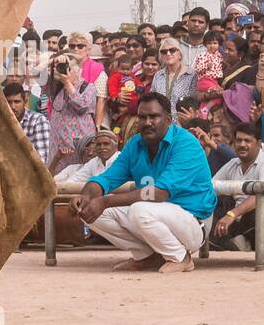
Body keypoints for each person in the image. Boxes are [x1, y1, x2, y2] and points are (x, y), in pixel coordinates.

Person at [73, 92, 216, 273]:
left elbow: (158, 194)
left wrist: (106, 201)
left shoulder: (186, 143)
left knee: (139, 209)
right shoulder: (135, 144)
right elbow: (106, 179)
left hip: (194, 223)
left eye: (154, 116)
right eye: (142, 117)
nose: (147, 122)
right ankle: (147, 257)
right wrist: (86, 196)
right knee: (90, 211)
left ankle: (181, 257)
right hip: (154, 214)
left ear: (168, 119)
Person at [209, 124, 262, 251]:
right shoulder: (233, 164)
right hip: (235, 221)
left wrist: (232, 214)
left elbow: (259, 195)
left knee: (257, 211)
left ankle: (243, 242)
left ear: (259, 143)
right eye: (239, 140)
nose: (242, 144)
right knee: (206, 218)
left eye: (247, 141)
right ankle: (236, 247)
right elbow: (210, 187)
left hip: (252, 220)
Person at [43, 48, 97, 170]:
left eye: (68, 69)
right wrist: (53, 62)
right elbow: (36, 74)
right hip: (58, 150)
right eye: (61, 68)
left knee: (78, 181)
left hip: (79, 148)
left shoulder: (88, 87)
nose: (63, 72)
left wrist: (67, 82)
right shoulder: (57, 88)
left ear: (78, 71)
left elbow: (81, 105)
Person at [2, 80, 50, 165]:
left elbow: (41, 161)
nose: (13, 106)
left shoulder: (38, 121)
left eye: (17, 102)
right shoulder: (1, 122)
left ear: (25, 102)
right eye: (8, 102)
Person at [54, 129, 119, 191]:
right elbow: (74, 180)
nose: (102, 147)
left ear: (115, 147)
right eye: (99, 145)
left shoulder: (121, 160)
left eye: (106, 144)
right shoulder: (94, 162)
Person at [149, 36, 196, 121]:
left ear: (180, 54)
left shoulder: (192, 74)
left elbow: (195, 101)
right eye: (164, 51)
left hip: (183, 124)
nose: (168, 53)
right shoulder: (158, 75)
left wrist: (192, 118)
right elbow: (153, 100)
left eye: (172, 50)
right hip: (161, 124)